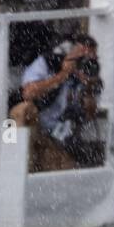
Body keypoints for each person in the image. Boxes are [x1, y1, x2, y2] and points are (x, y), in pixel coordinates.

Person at [10, 32, 103, 172]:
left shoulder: (90, 79)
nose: (87, 62)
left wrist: (88, 87)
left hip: (56, 136)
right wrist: (62, 75)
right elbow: (28, 93)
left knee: (67, 177)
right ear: (70, 54)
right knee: (23, 110)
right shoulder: (48, 63)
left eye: (92, 58)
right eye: (82, 57)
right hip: (29, 128)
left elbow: (89, 115)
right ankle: (16, 166)